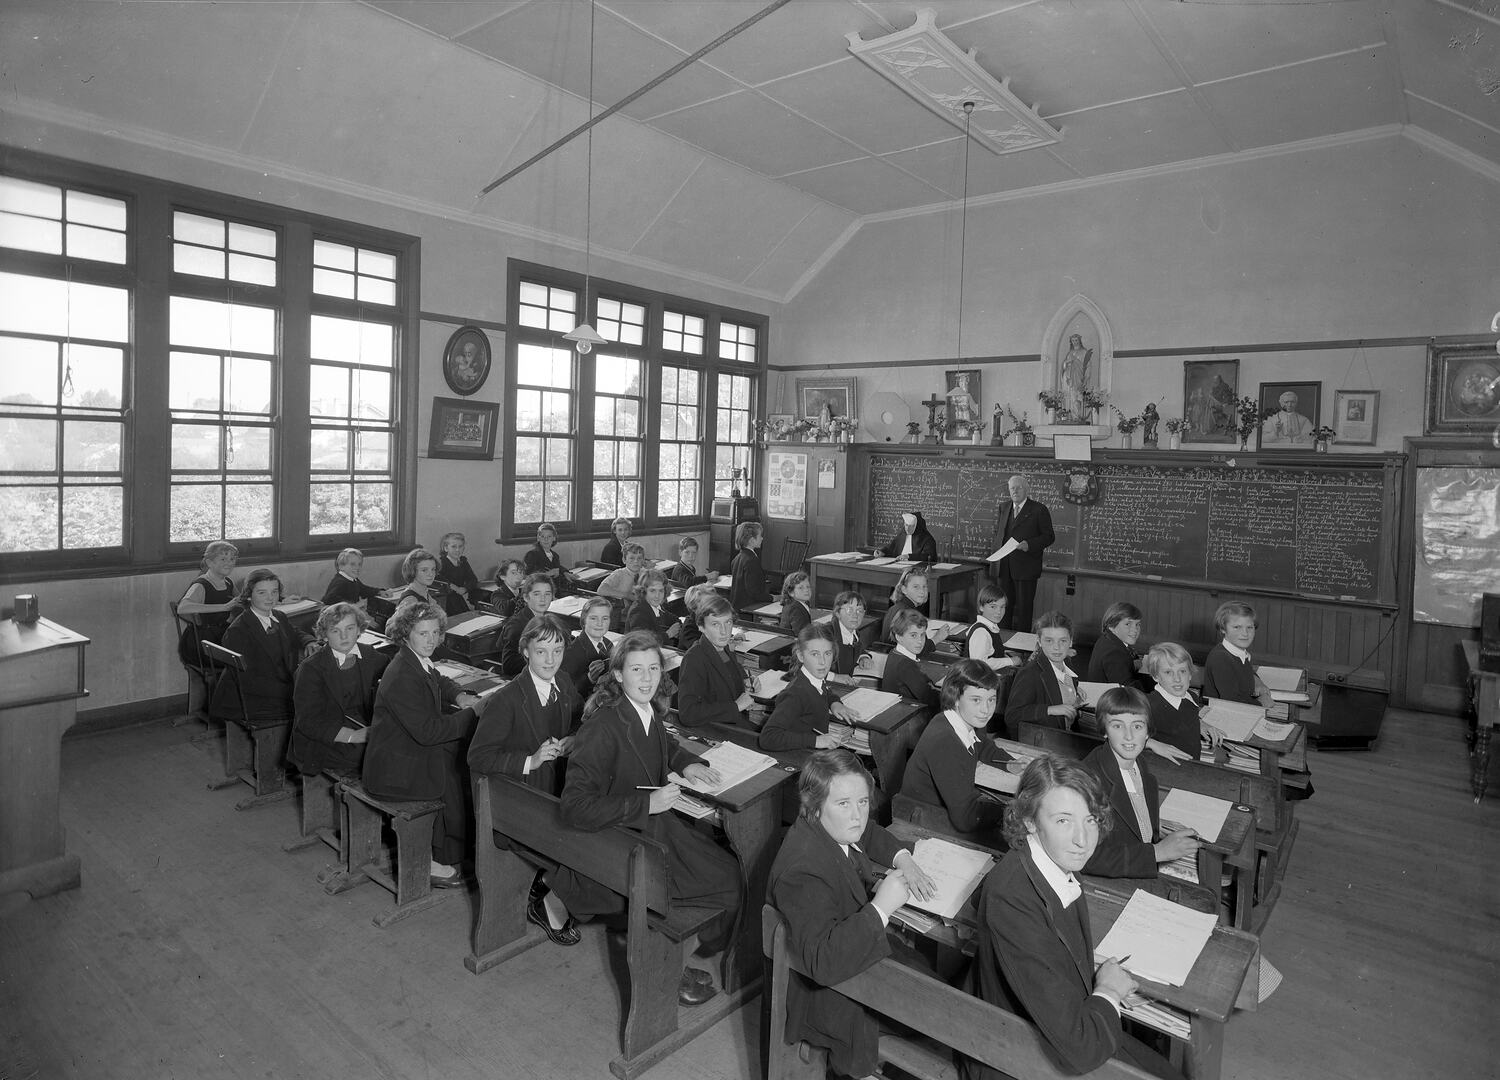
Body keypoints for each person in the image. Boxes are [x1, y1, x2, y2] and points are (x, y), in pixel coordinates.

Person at [555, 631, 741, 1008]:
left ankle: (674, 958)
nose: (647, 678)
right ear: (618, 674)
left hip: (654, 828)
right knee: (731, 885)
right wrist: (647, 804)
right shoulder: (601, 727)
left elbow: (662, 742)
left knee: (734, 874)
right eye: (636, 669)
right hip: (625, 840)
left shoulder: (646, 710)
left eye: (654, 669)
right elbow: (574, 806)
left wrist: (685, 763)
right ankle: (667, 966)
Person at [970, 755, 1182, 1080]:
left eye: (1090, 820)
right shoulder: (1012, 896)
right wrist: (1109, 990)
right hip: (1018, 1058)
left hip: (1050, 1030)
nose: (1082, 840)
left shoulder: (1050, 861)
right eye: (1063, 821)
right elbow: (1082, 1047)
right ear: (1029, 820)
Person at [767, 750, 936, 1079]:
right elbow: (823, 963)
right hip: (831, 994)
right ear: (815, 805)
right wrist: (881, 907)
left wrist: (904, 859)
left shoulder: (826, 826)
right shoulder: (803, 870)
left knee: (929, 977)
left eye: (863, 801)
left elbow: (867, 831)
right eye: (844, 803)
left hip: (852, 958)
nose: (857, 815)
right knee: (937, 1008)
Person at [468, 614, 581, 945]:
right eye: (541, 651)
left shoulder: (564, 682)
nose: (550, 660)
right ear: (525, 651)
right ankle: (547, 902)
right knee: (584, 846)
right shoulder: (505, 700)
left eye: (558, 650)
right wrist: (531, 760)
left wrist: (573, 739)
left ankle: (547, 888)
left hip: (554, 789)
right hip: (519, 799)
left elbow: (579, 721)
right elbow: (478, 757)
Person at [362, 599, 482, 889]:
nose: (431, 640)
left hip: (406, 752)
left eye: (435, 633)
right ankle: (430, 859)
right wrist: (473, 713)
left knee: (458, 768)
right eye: (422, 633)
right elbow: (429, 732)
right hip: (395, 770)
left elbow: (437, 679)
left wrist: (459, 696)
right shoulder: (402, 675)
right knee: (456, 777)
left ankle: (449, 850)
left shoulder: (414, 660)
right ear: (406, 634)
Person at [1081, 688, 1218, 914]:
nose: (1129, 736)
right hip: (1107, 884)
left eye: (1137, 726)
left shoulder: (1138, 763)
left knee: (1207, 873)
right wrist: (1157, 853)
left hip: (1135, 858)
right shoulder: (1088, 782)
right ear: (1104, 730)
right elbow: (1086, 858)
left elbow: (1127, 810)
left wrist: (1153, 826)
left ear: (1147, 733)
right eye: (1117, 726)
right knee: (1203, 901)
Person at [899, 660, 1012, 840]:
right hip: (924, 822)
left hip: (947, 810)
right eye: (976, 700)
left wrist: (1010, 763)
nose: (986, 710)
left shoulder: (958, 718)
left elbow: (981, 743)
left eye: (991, 699)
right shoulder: (945, 741)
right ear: (956, 698)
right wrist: (1011, 810)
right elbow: (965, 819)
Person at [288, 602, 390, 777]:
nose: (344, 636)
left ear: (359, 629)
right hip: (325, 738)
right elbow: (308, 722)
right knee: (379, 753)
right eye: (335, 631)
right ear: (324, 634)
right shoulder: (311, 669)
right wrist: (352, 736)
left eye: (350, 628)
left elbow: (395, 674)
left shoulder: (369, 654)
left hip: (361, 724)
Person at [209, 568, 312, 726]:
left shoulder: (278, 616)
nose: (270, 598)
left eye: (274, 592)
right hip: (249, 699)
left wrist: (309, 641)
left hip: (272, 686)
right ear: (249, 595)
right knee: (313, 706)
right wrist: (291, 691)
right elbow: (248, 680)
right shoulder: (238, 631)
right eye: (262, 593)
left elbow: (294, 632)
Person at [760, 623, 859, 752]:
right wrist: (816, 741)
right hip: (802, 756)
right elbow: (768, 737)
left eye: (827, 653)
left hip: (814, 752)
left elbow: (824, 690)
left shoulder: (813, 677)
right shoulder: (795, 694)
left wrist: (834, 703)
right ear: (801, 656)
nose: (822, 662)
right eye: (815, 654)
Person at [677, 595, 753, 729]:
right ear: (701, 627)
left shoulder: (724, 648)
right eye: (715, 624)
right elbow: (688, 713)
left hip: (734, 723)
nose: (724, 631)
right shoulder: (694, 658)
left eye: (728, 622)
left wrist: (746, 682)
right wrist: (735, 706)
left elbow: (726, 678)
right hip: (717, 730)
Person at [991, 474, 1055, 633]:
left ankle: (1022, 641)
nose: (1015, 491)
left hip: (1026, 567)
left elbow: (1049, 536)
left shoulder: (1039, 509)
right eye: (1012, 488)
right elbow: (999, 533)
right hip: (1004, 566)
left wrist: (1029, 545)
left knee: (1024, 609)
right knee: (1002, 607)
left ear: (1027, 490)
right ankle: (1002, 638)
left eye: (1018, 488)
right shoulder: (1003, 507)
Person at [1003, 611, 1081, 737]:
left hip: (1067, 735)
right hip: (1047, 741)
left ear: (1071, 641)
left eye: (1063, 641)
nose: (1057, 647)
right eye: (1049, 641)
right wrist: (1049, 710)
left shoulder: (1067, 662)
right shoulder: (1029, 673)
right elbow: (1012, 716)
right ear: (1039, 641)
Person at [1142, 642, 1220, 763]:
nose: (1177, 679)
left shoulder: (1191, 697)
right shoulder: (1148, 704)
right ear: (1156, 676)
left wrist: (1199, 723)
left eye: (1182, 671)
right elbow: (1118, 735)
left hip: (1191, 765)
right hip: (1163, 769)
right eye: (1168, 672)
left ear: (1190, 674)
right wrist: (1152, 744)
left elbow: (1180, 717)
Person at [177, 539, 240, 670]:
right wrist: (224, 607)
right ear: (209, 562)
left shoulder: (228, 582)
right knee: (244, 658)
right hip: (203, 644)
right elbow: (182, 608)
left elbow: (241, 600)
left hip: (219, 637)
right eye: (223, 559)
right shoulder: (202, 584)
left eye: (232, 559)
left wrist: (276, 600)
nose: (229, 563)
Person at [1202, 601, 1274, 707]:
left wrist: (1257, 681)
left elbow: (1243, 671)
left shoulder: (1239, 653)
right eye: (1237, 627)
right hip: (1223, 713)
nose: (1245, 633)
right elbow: (1232, 701)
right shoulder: (1221, 658)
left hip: (1242, 710)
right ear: (1223, 629)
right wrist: (1261, 703)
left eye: (1249, 627)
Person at [561, 595, 616, 710]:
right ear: (583, 620)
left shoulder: (609, 644)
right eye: (593, 618)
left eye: (605, 618)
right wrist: (589, 678)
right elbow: (567, 694)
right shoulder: (571, 653)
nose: (600, 623)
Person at [882, 608, 940, 712]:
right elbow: (928, 697)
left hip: (899, 709)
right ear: (899, 637)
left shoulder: (895, 653)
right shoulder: (905, 664)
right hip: (907, 714)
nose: (920, 641)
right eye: (913, 635)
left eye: (922, 635)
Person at [1086, 601, 1151, 693]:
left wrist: (1134, 665)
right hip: (1110, 700)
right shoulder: (1114, 653)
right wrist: (1150, 676)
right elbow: (1129, 692)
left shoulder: (1108, 639)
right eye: (1128, 624)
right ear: (1112, 626)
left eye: (1137, 624)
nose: (1135, 630)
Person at [498, 574, 555, 678]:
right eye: (537, 594)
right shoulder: (517, 626)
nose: (543, 599)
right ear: (526, 597)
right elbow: (508, 666)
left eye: (547, 594)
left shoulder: (547, 618)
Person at [880, 565, 940, 657]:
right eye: (916, 587)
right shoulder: (908, 614)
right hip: (900, 658)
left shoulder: (897, 607)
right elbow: (919, 650)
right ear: (904, 589)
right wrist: (937, 638)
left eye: (924, 586)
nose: (922, 591)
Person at [396, 546, 466, 618]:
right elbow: (398, 624)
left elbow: (439, 615)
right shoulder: (410, 600)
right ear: (412, 571)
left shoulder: (424, 592)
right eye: (424, 570)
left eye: (433, 569)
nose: (431, 574)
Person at [821, 590, 871, 684]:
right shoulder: (825, 634)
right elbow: (806, 665)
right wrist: (834, 677)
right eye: (849, 610)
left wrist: (863, 657)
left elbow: (857, 648)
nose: (855, 615)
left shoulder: (854, 633)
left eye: (859, 611)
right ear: (837, 613)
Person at [962, 584, 1018, 668]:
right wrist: (1010, 661)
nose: (999, 612)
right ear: (981, 607)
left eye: (1002, 607)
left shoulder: (991, 627)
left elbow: (991, 652)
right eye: (993, 607)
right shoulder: (981, 633)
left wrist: (1006, 656)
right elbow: (979, 664)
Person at [625, 569, 679, 644]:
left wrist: (678, 627)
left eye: (661, 591)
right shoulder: (638, 611)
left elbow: (674, 619)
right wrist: (668, 634)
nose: (657, 596)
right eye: (652, 591)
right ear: (643, 591)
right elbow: (642, 641)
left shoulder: (656, 606)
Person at [729, 521, 770, 613]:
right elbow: (753, 591)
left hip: (736, 606)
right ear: (751, 540)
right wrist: (772, 598)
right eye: (760, 536)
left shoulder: (737, 557)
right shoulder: (751, 560)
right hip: (748, 608)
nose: (762, 538)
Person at [523, 522, 574, 595]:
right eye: (542, 536)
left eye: (549, 536)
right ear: (538, 538)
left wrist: (565, 572)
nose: (546, 539)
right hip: (539, 592)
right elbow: (527, 576)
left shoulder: (555, 555)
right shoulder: (532, 554)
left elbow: (557, 567)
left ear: (554, 538)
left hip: (555, 590)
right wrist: (548, 574)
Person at [435, 531, 481, 605]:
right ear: (446, 548)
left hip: (458, 597)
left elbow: (473, 579)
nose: (457, 550)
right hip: (444, 599)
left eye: (460, 546)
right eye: (453, 547)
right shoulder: (442, 563)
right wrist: (455, 588)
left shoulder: (463, 561)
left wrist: (465, 588)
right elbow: (438, 579)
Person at [1060, 333, 1093, 419]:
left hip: (1079, 377)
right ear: (1071, 342)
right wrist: (1067, 362)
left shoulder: (1084, 352)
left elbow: (1088, 366)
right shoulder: (1070, 353)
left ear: (1079, 341)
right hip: (1070, 378)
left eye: (1076, 340)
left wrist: (1086, 378)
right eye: (1073, 341)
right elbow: (1064, 366)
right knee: (1071, 397)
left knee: (1077, 397)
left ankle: (1077, 416)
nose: (1075, 342)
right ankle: (1072, 416)